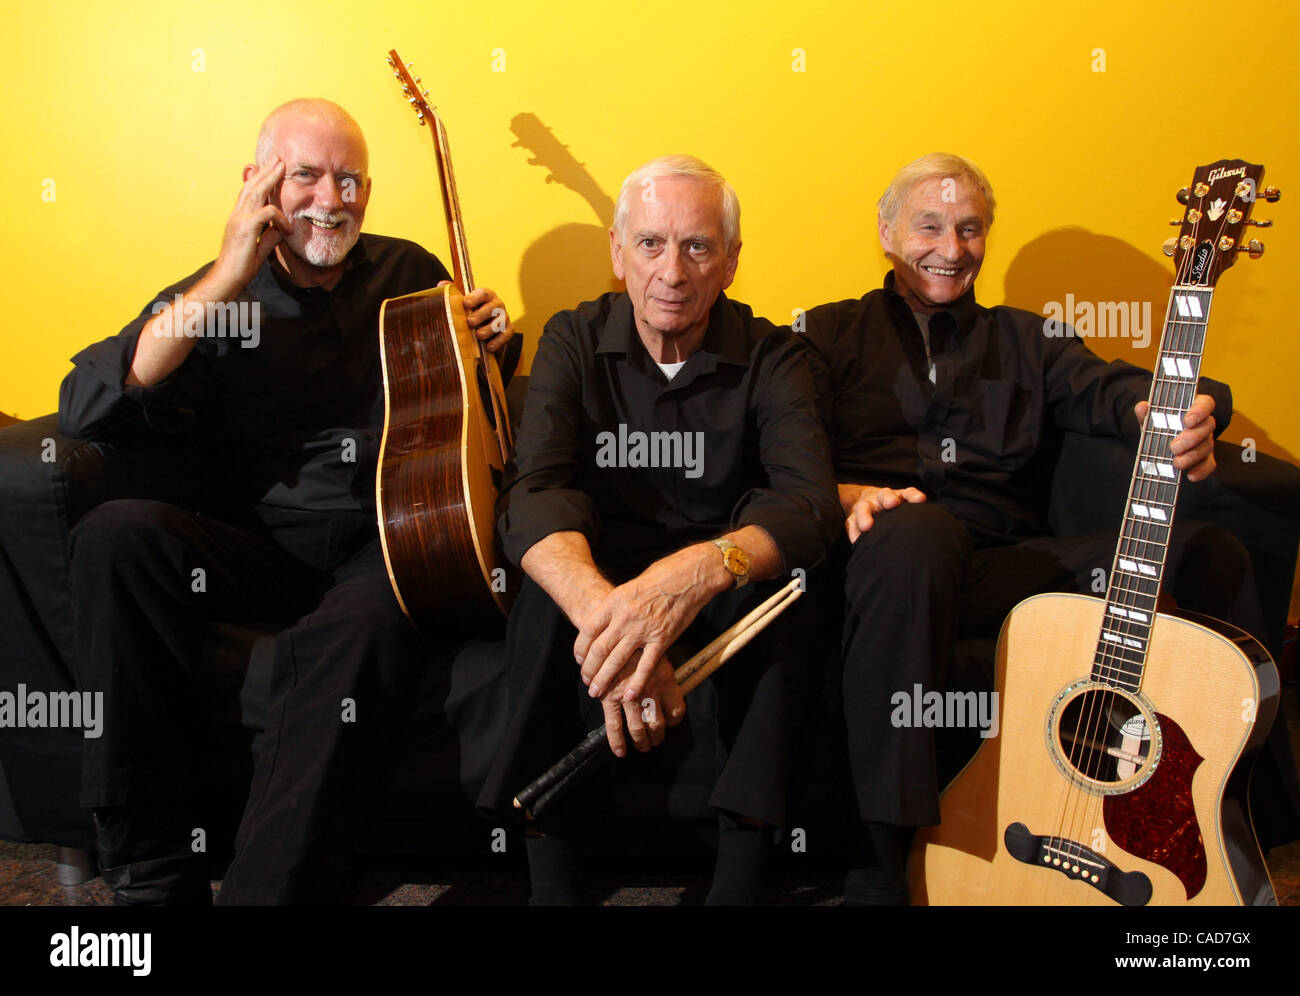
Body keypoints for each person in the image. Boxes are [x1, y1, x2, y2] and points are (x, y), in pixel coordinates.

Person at [58, 98, 516, 904]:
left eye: (350, 180)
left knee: (370, 621)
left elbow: (462, 416)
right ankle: (148, 866)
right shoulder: (217, 292)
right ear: (257, 183)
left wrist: (491, 353)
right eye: (305, 175)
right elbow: (90, 403)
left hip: (386, 544)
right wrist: (228, 271)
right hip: (252, 551)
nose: (331, 200)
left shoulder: (410, 273)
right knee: (114, 537)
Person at [802, 152, 1266, 905]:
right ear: (887, 232)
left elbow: (1108, 389)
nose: (951, 250)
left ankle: (1225, 821)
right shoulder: (825, 335)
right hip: (885, 568)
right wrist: (844, 491)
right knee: (919, 536)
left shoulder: (1030, 339)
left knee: (1208, 552)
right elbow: (781, 453)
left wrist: (1174, 409)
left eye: (970, 229)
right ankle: (879, 859)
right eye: (929, 226)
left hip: (1004, 569)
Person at [477, 154, 841, 904]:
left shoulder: (776, 354)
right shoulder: (571, 340)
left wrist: (695, 573)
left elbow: (806, 504)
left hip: (720, 575)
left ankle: (740, 879)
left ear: (732, 262)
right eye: (650, 244)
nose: (671, 270)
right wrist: (613, 625)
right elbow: (535, 490)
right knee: (544, 594)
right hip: (601, 575)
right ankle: (555, 881)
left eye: (698, 246)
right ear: (617, 251)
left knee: (780, 599)